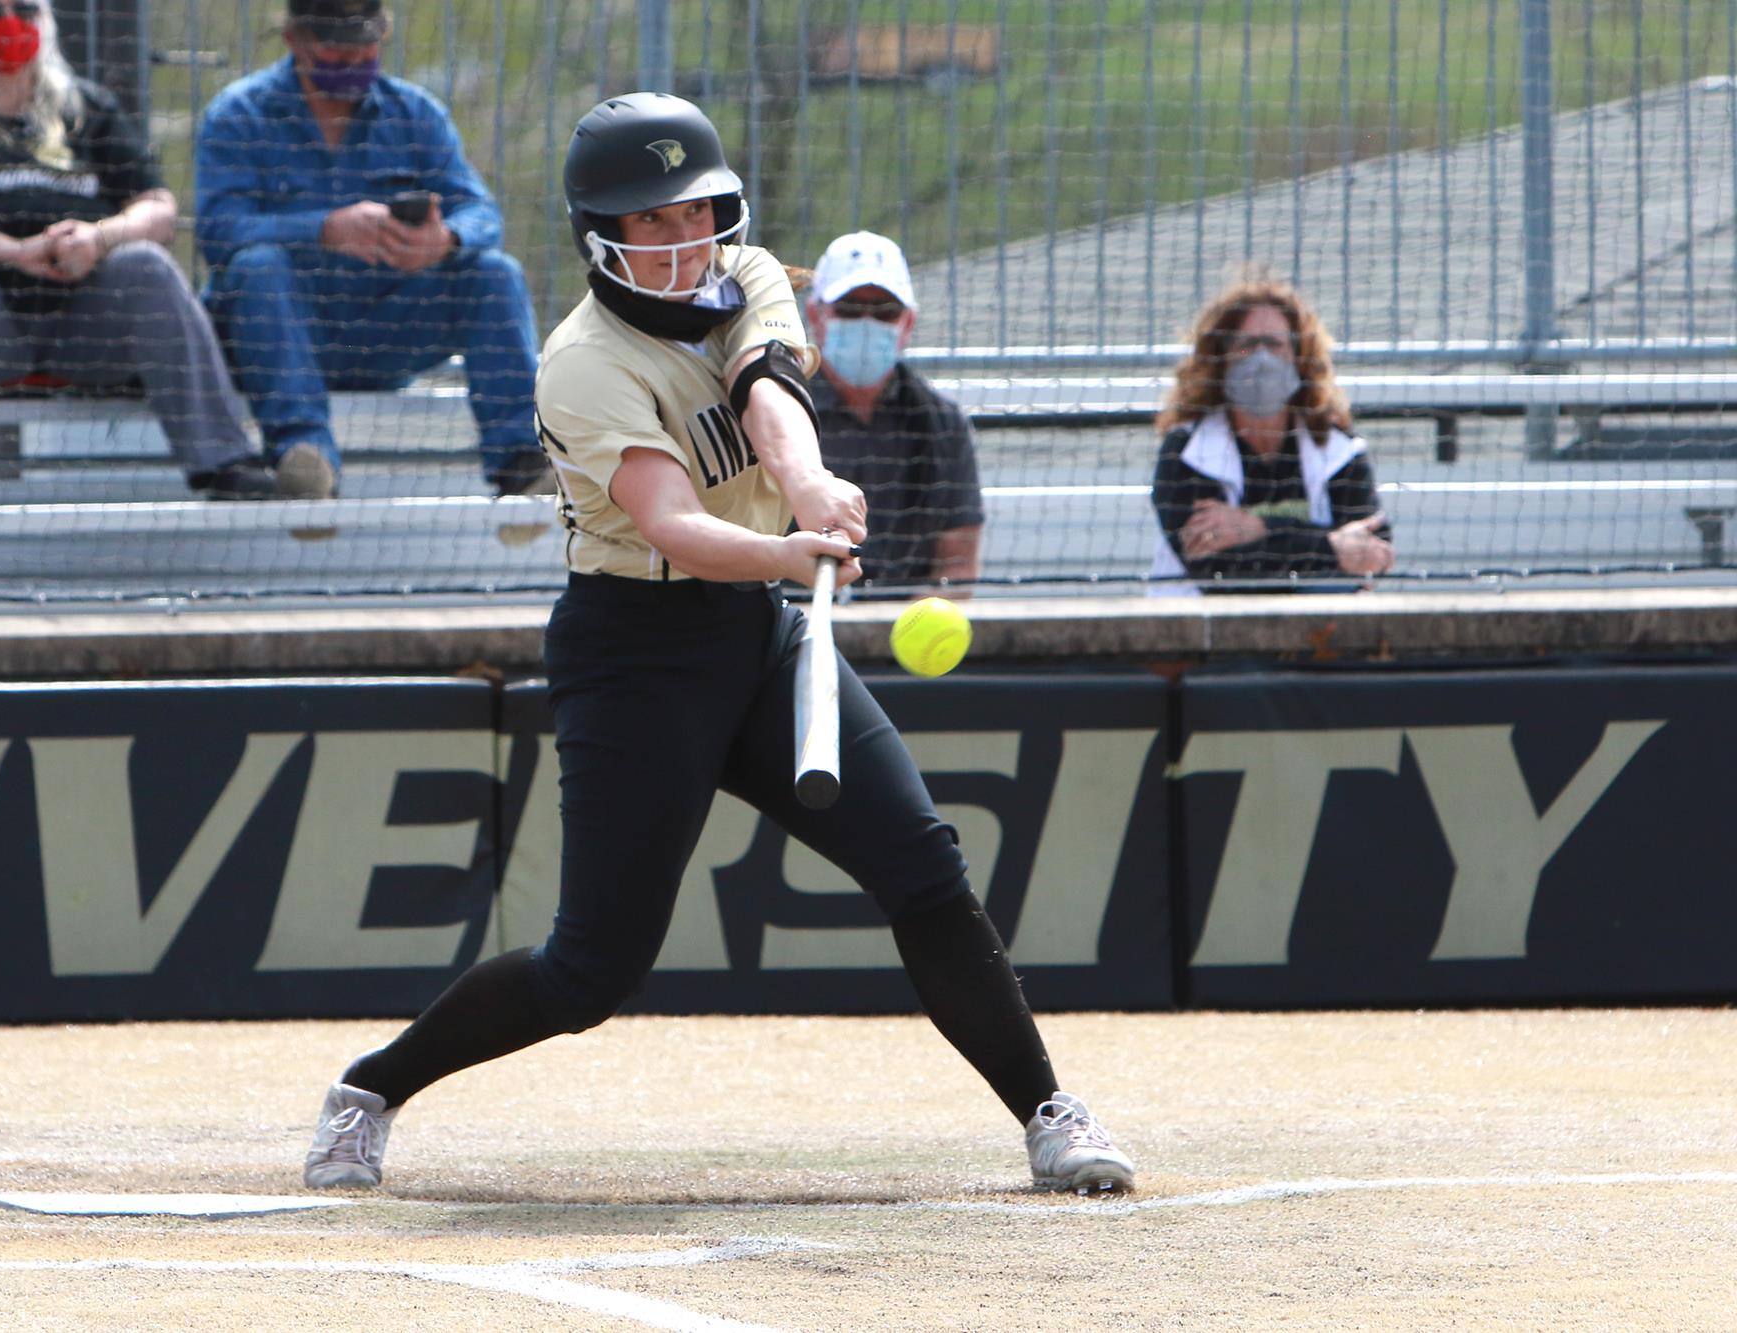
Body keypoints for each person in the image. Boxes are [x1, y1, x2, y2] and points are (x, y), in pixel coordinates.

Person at [299, 92, 1134, 1197]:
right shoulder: (581, 363)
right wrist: (789, 551)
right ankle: (371, 1088)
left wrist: (805, 486)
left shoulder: (747, 276)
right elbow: (671, 525)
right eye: (651, 221)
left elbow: (765, 397)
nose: (682, 236)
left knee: (922, 868)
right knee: (590, 971)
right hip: (632, 651)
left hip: (758, 632)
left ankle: (1046, 1111)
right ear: (600, 233)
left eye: (696, 209)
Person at [0, 0, 277, 507]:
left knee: (144, 264)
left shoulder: (88, 110)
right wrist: (11, 251)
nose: (10, 22)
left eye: (26, 9)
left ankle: (226, 462)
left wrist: (99, 238)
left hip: (88, 326)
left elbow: (159, 208)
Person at [196, 0, 546, 500]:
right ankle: (304, 457)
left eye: (364, 50)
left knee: (494, 272)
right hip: (279, 337)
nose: (351, 63)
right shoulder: (238, 114)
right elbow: (218, 230)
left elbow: (482, 213)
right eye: (334, 53)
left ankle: (521, 460)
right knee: (256, 265)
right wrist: (323, 229)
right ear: (294, 38)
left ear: (382, 36)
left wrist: (444, 240)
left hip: (390, 327)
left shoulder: (416, 113)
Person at [1149, 275, 1393, 594]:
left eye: (1274, 344)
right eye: (1247, 345)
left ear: (1299, 356)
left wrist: (1257, 528)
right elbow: (1217, 572)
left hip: (1325, 630)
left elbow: (1374, 552)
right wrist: (1332, 548)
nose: (1262, 360)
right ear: (1220, 359)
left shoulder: (1338, 449)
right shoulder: (1186, 451)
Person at [806, 231, 984, 590]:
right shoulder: (778, 408)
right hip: (794, 620)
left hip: (907, 628)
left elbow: (958, 561)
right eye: (850, 308)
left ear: (907, 323)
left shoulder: (942, 423)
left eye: (885, 311)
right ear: (816, 315)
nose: (868, 322)